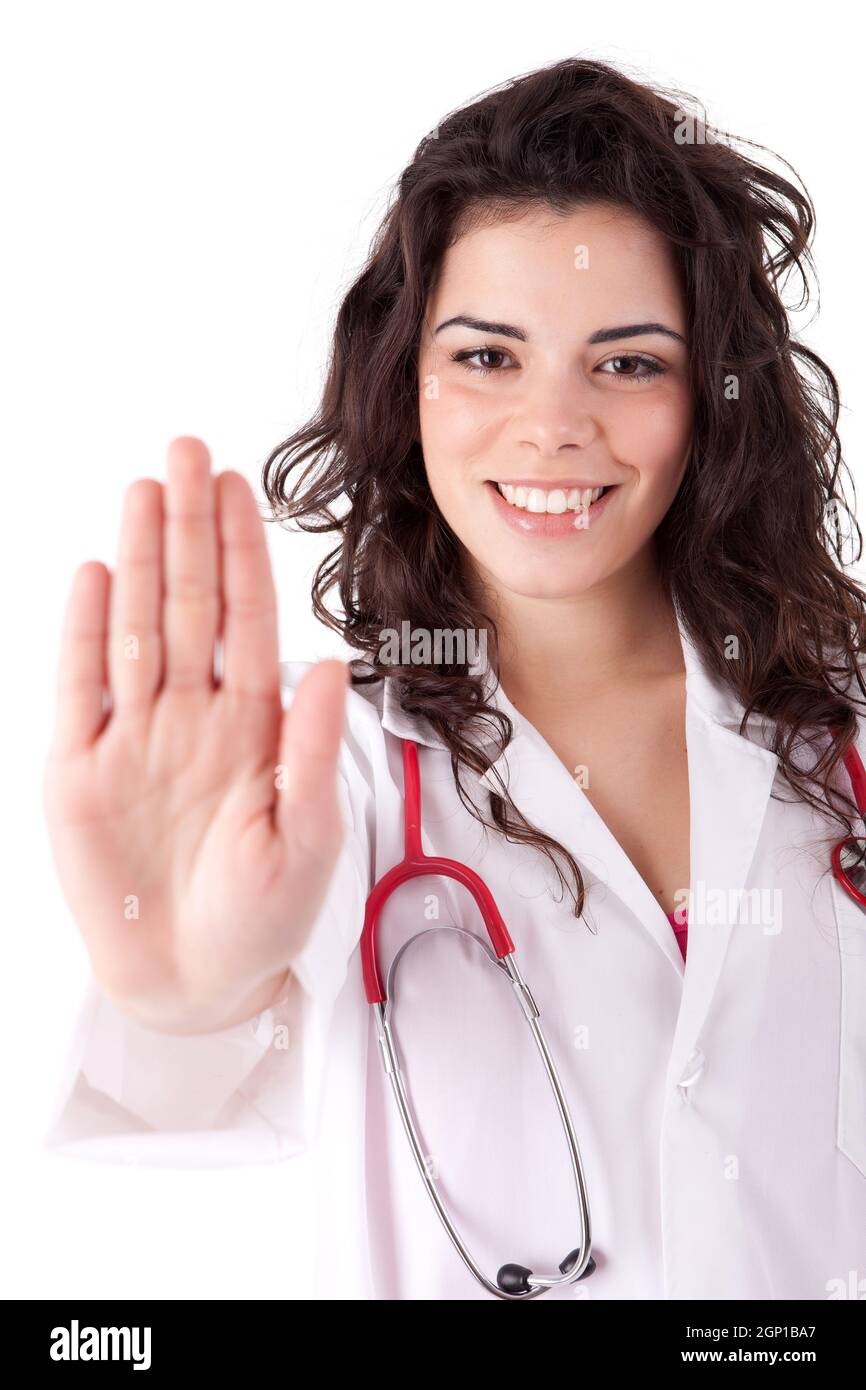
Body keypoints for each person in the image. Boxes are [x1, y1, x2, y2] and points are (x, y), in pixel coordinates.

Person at [42, 56, 866, 1300]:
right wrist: (176, 988)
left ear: (712, 398)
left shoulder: (838, 737)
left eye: (628, 362)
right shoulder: (333, 775)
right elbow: (187, 1087)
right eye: (487, 356)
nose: (551, 424)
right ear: (403, 380)